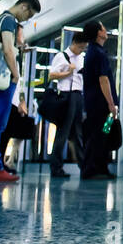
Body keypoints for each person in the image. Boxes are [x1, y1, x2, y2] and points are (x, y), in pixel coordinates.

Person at [0, 0, 40, 183]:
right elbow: (7, 49)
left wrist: (20, 49)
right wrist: (15, 74)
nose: (27, 20)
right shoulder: (8, 20)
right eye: (29, 15)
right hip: (4, 78)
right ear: (24, 6)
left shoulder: (2, 19)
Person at [80, 22, 118, 179]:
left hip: (95, 103)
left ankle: (101, 167)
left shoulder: (93, 52)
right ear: (98, 33)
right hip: (101, 104)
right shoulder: (98, 54)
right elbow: (103, 80)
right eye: (103, 27)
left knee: (103, 134)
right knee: (99, 135)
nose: (105, 30)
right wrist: (111, 103)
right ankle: (91, 169)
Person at [46, 34, 86, 177]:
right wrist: (68, 72)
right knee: (63, 132)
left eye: (84, 48)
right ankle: (56, 167)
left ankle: (84, 166)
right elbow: (51, 75)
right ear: (74, 43)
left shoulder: (81, 58)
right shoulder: (61, 56)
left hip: (78, 95)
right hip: (66, 96)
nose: (82, 50)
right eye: (80, 47)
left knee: (78, 132)